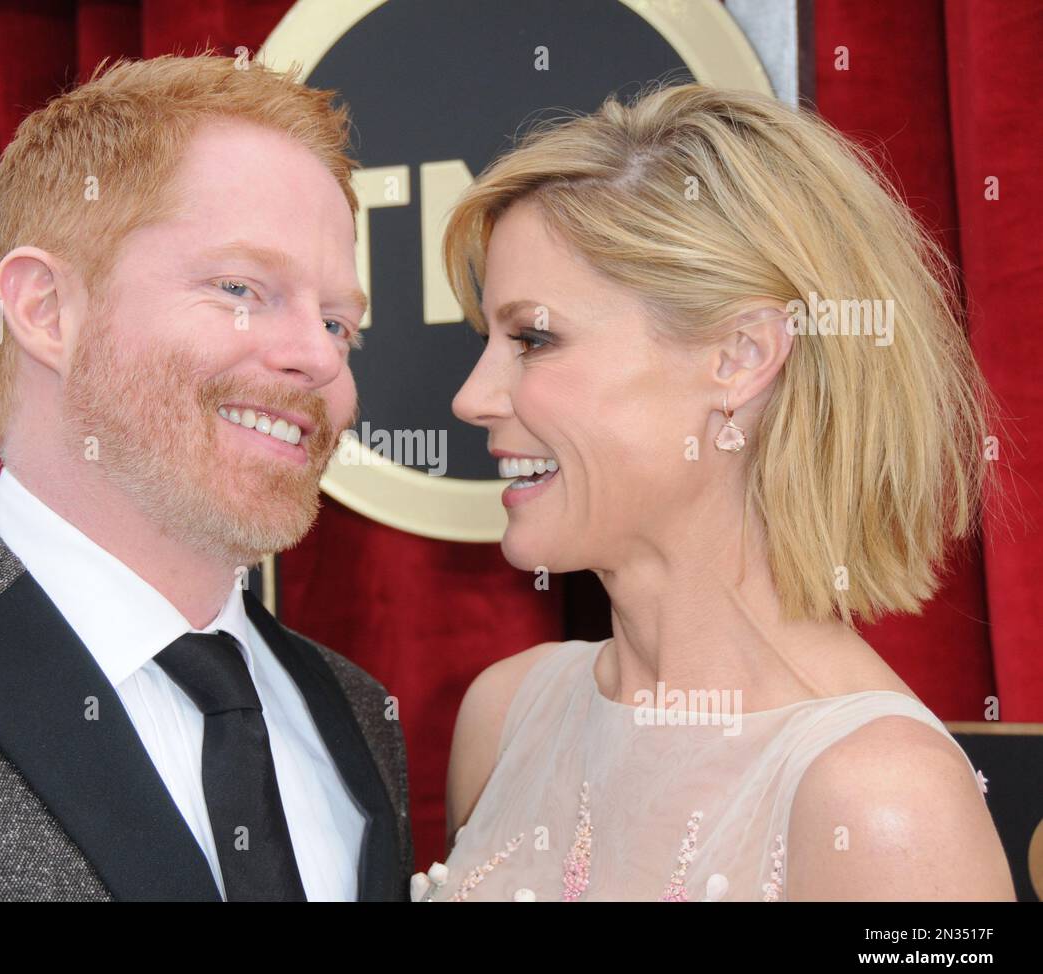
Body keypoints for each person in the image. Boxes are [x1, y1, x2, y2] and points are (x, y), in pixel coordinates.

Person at [0, 54, 411, 901]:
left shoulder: (356, 714)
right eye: (241, 287)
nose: (318, 358)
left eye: (337, 322)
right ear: (46, 310)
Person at [417, 83, 1014, 902]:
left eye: (534, 338)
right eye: (491, 339)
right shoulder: (508, 715)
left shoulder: (885, 807)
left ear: (739, 358)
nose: (471, 397)